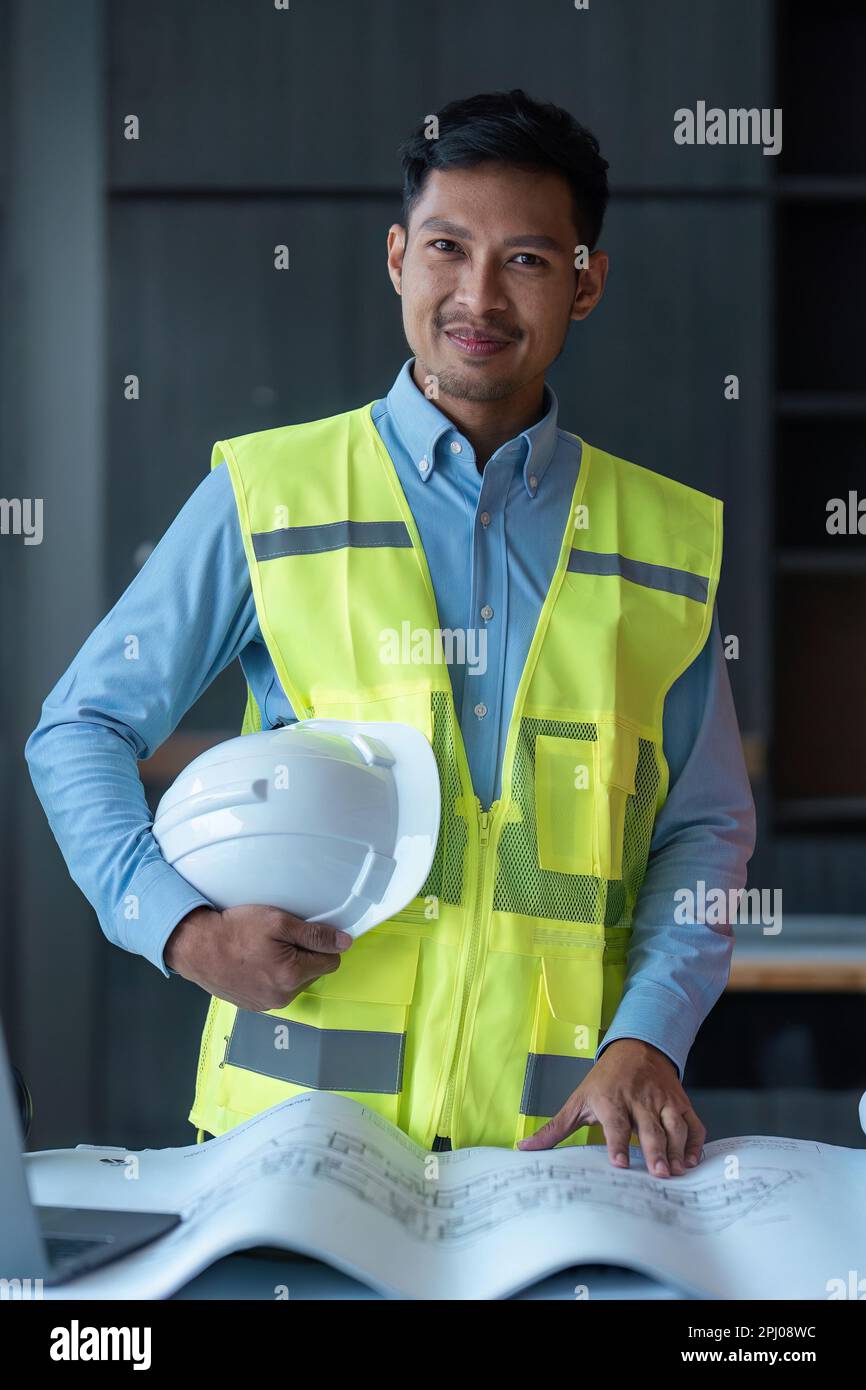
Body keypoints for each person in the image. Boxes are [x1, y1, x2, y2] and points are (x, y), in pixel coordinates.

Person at [25, 89, 755, 1176]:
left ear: (585, 282)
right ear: (398, 257)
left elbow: (704, 829)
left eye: (526, 260)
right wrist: (178, 929)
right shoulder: (270, 495)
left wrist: (648, 1034)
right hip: (291, 1152)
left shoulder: (664, 541)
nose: (478, 296)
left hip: (554, 1154)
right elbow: (78, 727)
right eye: (447, 248)